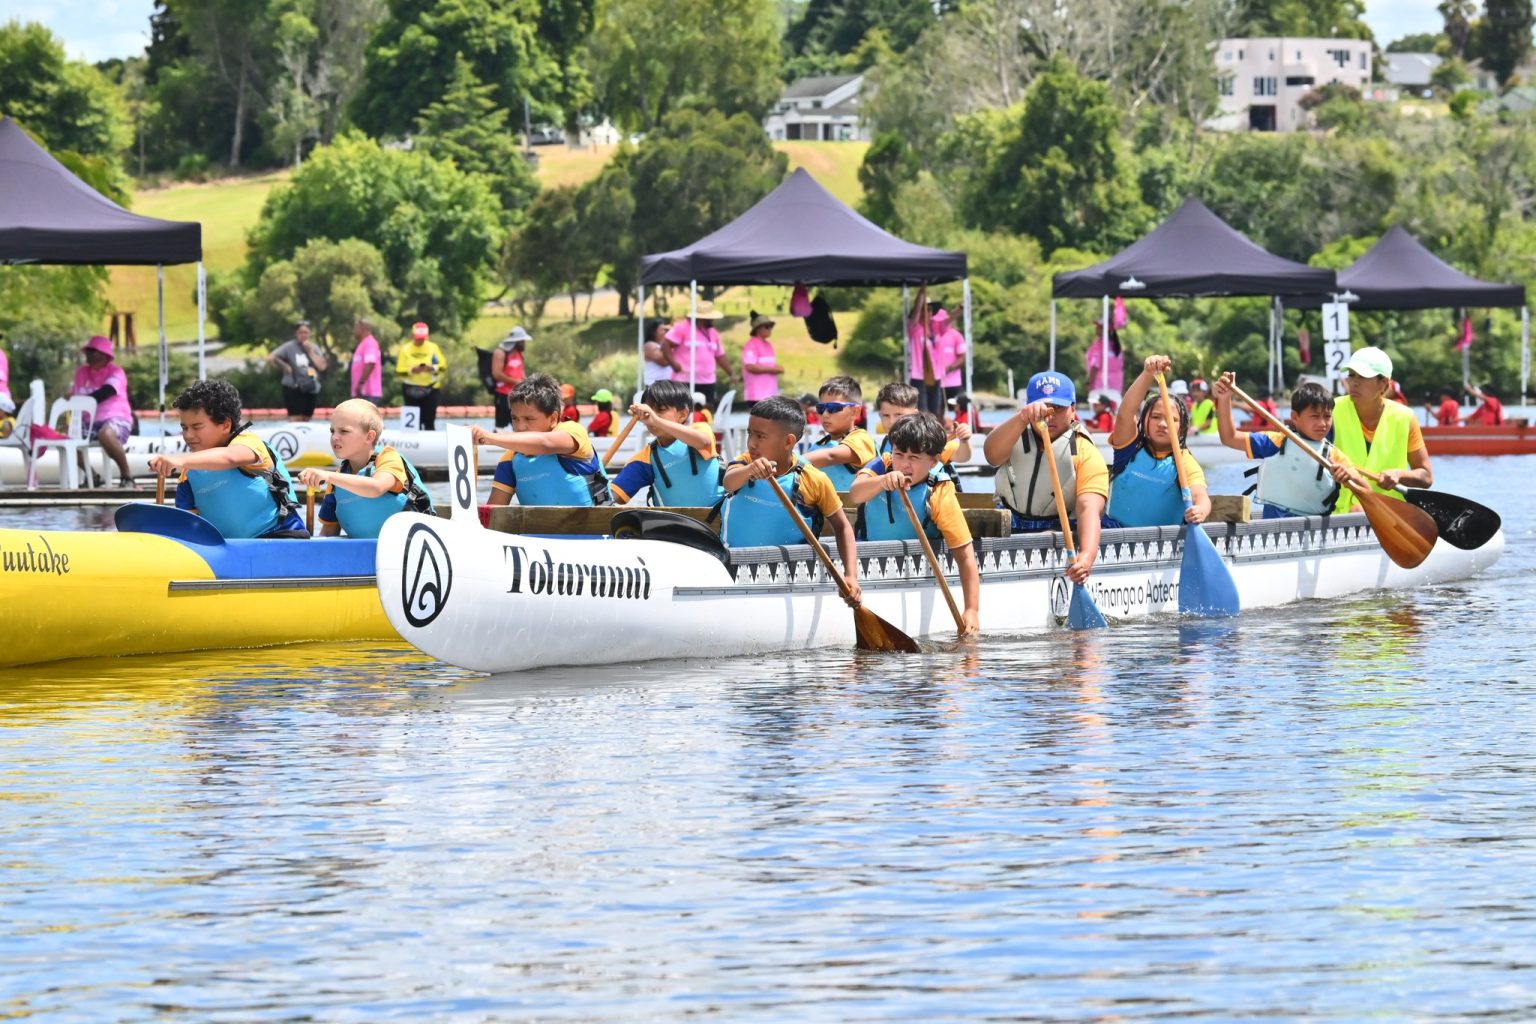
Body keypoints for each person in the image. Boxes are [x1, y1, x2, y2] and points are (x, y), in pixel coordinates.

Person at [719, 395, 861, 607]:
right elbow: (729, 483)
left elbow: (842, 527)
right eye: (750, 434)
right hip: (730, 567)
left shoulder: (814, 479)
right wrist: (750, 470)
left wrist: (851, 576)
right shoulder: (745, 462)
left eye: (760, 436)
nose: (751, 443)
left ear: (788, 442)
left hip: (786, 579)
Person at [849, 413, 980, 633]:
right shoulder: (884, 464)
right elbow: (855, 494)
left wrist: (971, 610)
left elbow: (965, 555)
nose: (904, 464)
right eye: (899, 454)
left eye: (914, 458)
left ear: (934, 460)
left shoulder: (938, 492)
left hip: (918, 571)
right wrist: (882, 481)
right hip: (868, 567)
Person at [983, 371, 1109, 581]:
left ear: (1073, 410)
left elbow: (1088, 508)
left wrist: (1086, 557)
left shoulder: (1085, 451)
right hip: (1009, 520)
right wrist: (1022, 417)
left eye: (1058, 408)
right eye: (1042, 409)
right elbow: (991, 455)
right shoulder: (1014, 432)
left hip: (1057, 528)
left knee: (1047, 537)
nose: (1049, 416)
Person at [148, 379, 308, 538]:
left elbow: (229, 457)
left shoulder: (248, 442)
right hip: (232, 551)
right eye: (184, 428)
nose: (188, 435)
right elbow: (187, 527)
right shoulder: (188, 476)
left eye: (196, 427)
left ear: (225, 424)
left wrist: (180, 460)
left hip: (282, 537)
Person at [299, 399, 432, 538]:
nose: (334, 437)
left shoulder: (388, 458)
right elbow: (327, 533)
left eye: (344, 431)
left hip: (413, 548)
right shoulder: (337, 482)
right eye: (332, 431)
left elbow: (376, 488)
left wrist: (328, 476)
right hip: (368, 555)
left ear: (369, 436)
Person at [475, 373, 612, 508]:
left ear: (553, 418)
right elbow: (493, 512)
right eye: (515, 418)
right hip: (536, 530)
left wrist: (487, 437)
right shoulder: (509, 458)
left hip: (591, 529)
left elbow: (545, 443)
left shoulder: (573, 431)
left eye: (529, 419)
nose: (519, 427)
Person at [1106, 355, 1211, 527]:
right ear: (1144, 421)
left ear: (1182, 428)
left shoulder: (1184, 460)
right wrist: (1147, 374)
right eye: (1155, 417)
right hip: (1115, 533)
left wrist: (1200, 510)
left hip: (1161, 542)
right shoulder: (1129, 447)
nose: (1162, 424)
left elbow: (1200, 495)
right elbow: (1125, 413)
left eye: (1171, 420)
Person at [1213, 375, 1338, 519]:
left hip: (1314, 534)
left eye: (1327, 416)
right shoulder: (1277, 442)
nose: (1322, 423)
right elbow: (1229, 438)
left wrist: (1348, 475)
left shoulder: (1334, 455)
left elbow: (1359, 486)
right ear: (1295, 417)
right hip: (1275, 533)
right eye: (1315, 416)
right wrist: (1224, 399)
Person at [1328, 346, 1432, 513]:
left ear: (1383, 383)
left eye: (1362, 377)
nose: (1354, 383)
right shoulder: (1330, 410)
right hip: (1338, 514)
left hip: (1389, 514)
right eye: (1351, 375)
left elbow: (1426, 476)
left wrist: (1400, 474)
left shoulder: (1405, 417)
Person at [609, 380, 723, 507]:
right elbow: (614, 495)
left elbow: (703, 441)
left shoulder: (700, 429)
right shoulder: (646, 458)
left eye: (661, 409)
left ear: (683, 414)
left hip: (717, 521)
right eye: (649, 411)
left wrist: (656, 420)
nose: (651, 416)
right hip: (677, 524)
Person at [71, 335, 137, 487]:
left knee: (105, 434)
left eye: (92, 350)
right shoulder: (81, 372)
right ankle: (92, 476)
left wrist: (81, 399)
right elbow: (74, 395)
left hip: (116, 417)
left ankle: (127, 476)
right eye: (88, 350)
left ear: (103, 354)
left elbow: (106, 392)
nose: (88, 353)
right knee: (63, 438)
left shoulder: (116, 372)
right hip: (88, 420)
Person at [872, 382, 971, 470]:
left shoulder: (929, 439)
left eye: (899, 415)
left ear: (915, 414)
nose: (891, 421)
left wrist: (964, 440)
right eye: (885, 415)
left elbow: (962, 456)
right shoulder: (886, 443)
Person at [804, 375, 878, 490]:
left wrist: (790, 461)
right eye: (821, 408)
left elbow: (831, 456)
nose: (825, 414)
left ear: (854, 412)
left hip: (851, 508)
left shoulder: (861, 439)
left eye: (833, 408)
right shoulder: (818, 446)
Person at [665, 301, 732, 406]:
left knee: (706, 412)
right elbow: (665, 346)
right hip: (684, 380)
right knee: (682, 412)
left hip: (707, 381)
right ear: (701, 318)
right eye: (709, 318)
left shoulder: (713, 332)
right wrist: (673, 364)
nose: (712, 320)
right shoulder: (683, 328)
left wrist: (730, 373)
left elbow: (720, 355)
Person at [907, 303, 964, 416]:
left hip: (936, 376)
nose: (928, 313)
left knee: (935, 411)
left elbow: (949, 319)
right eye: (925, 310)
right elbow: (915, 314)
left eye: (930, 310)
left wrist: (959, 308)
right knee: (922, 410)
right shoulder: (915, 328)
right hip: (920, 376)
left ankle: (936, 431)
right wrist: (921, 294)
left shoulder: (937, 329)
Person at [268, 320, 327, 421]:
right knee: (296, 418)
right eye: (300, 332)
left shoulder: (314, 347)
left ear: (310, 333)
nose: (303, 335)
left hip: (310, 387)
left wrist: (310, 352)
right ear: (296, 333)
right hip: (293, 387)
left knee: (307, 419)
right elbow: (271, 357)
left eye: (306, 332)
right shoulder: (288, 347)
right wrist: (284, 365)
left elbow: (322, 367)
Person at [396, 322, 445, 430]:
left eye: (423, 338)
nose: (421, 341)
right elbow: (399, 371)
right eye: (418, 338)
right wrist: (412, 370)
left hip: (431, 388)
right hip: (410, 390)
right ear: (413, 336)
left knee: (429, 422)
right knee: (413, 426)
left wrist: (432, 368)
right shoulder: (405, 349)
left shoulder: (433, 347)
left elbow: (443, 367)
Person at [740, 312, 785, 403]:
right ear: (757, 328)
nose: (770, 329)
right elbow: (750, 367)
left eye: (770, 326)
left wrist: (777, 369)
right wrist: (773, 370)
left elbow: (768, 366)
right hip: (756, 395)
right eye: (767, 326)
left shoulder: (768, 345)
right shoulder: (751, 345)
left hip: (770, 395)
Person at [491, 327, 530, 429]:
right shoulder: (500, 353)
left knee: (520, 425)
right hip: (504, 395)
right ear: (517, 341)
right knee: (500, 426)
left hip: (518, 395)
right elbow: (497, 374)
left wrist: (527, 384)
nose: (524, 343)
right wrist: (515, 382)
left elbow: (521, 373)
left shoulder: (519, 354)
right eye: (522, 341)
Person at [1084, 323, 1125, 397]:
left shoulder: (1099, 345)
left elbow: (1095, 366)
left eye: (1099, 326)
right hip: (1117, 388)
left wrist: (1089, 383)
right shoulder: (1117, 346)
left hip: (1100, 387)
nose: (1096, 328)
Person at [349, 319, 382, 402]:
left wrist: (361, 383)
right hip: (361, 393)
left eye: (356, 328)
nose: (354, 331)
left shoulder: (370, 343)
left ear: (363, 328)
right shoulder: (362, 344)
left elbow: (370, 363)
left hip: (368, 392)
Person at [642, 319, 673, 386]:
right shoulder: (649, 345)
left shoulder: (664, 346)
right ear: (653, 332)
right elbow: (664, 362)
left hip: (666, 385)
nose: (664, 332)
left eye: (665, 330)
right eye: (661, 330)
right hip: (653, 385)